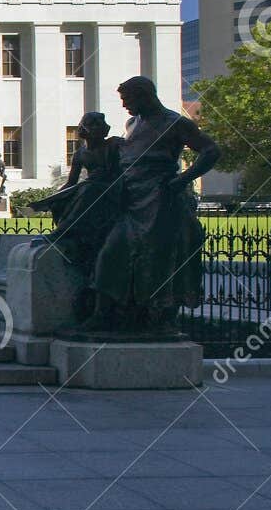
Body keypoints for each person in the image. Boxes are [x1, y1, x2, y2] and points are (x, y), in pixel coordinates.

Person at [84, 75, 219, 332]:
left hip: (160, 200)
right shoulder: (133, 123)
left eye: (127, 99)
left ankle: (157, 319)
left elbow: (211, 150)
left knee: (157, 260)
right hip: (132, 198)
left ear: (144, 95)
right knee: (111, 252)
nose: (124, 105)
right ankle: (104, 314)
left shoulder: (175, 122)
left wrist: (183, 179)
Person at [31, 111, 122, 274]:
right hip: (92, 187)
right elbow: (71, 182)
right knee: (63, 201)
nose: (94, 131)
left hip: (113, 187)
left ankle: (62, 232)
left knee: (87, 190)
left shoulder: (114, 144)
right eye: (91, 127)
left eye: (98, 127)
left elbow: (133, 163)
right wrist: (53, 198)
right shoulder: (80, 153)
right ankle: (69, 238)